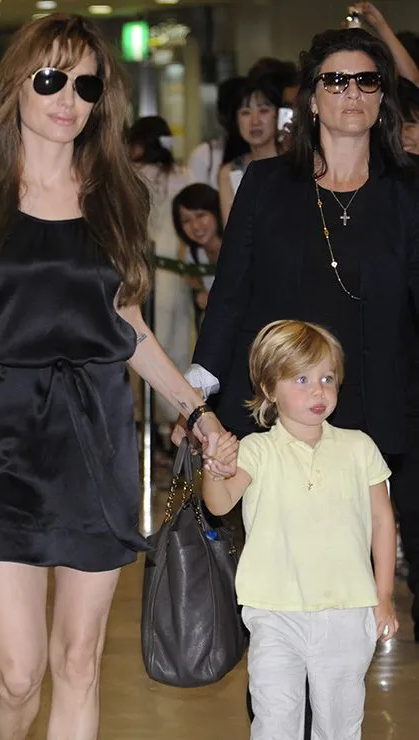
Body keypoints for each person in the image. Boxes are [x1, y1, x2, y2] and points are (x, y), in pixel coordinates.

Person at [0, 15, 235, 739]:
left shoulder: (118, 194)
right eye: (51, 78)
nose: (69, 97)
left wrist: (198, 409)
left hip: (95, 436)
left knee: (79, 658)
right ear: (17, 85)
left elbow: (128, 328)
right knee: (17, 671)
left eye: (86, 83)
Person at [185, 26, 419, 736]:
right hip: (282, 414)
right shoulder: (266, 185)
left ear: (383, 99)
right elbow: (230, 294)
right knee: (284, 584)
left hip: (390, 411)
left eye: (367, 81)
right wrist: (199, 392)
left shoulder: (410, 188)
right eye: (336, 81)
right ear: (311, 99)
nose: (352, 94)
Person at [201, 320, 398, 740]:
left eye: (328, 378)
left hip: (347, 611)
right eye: (302, 379)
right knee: (274, 719)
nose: (318, 390)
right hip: (273, 611)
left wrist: (382, 596)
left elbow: (383, 522)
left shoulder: (359, 447)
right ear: (270, 389)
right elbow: (218, 504)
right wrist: (214, 468)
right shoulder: (256, 450)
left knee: (340, 725)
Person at [128, 116, 197, 427]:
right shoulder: (185, 175)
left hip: (137, 273)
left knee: (141, 347)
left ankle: (149, 426)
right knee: (176, 347)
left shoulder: (131, 176)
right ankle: (176, 422)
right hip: (176, 275)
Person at [217, 74, 281, 223]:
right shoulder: (230, 172)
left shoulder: (298, 165)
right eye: (245, 113)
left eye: (264, 110)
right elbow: (232, 234)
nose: (255, 121)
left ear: (278, 115)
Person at [171, 183, 224, 324]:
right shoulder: (192, 254)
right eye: (186, 220)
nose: (195, 226)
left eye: (200, 215)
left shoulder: (241, 245)